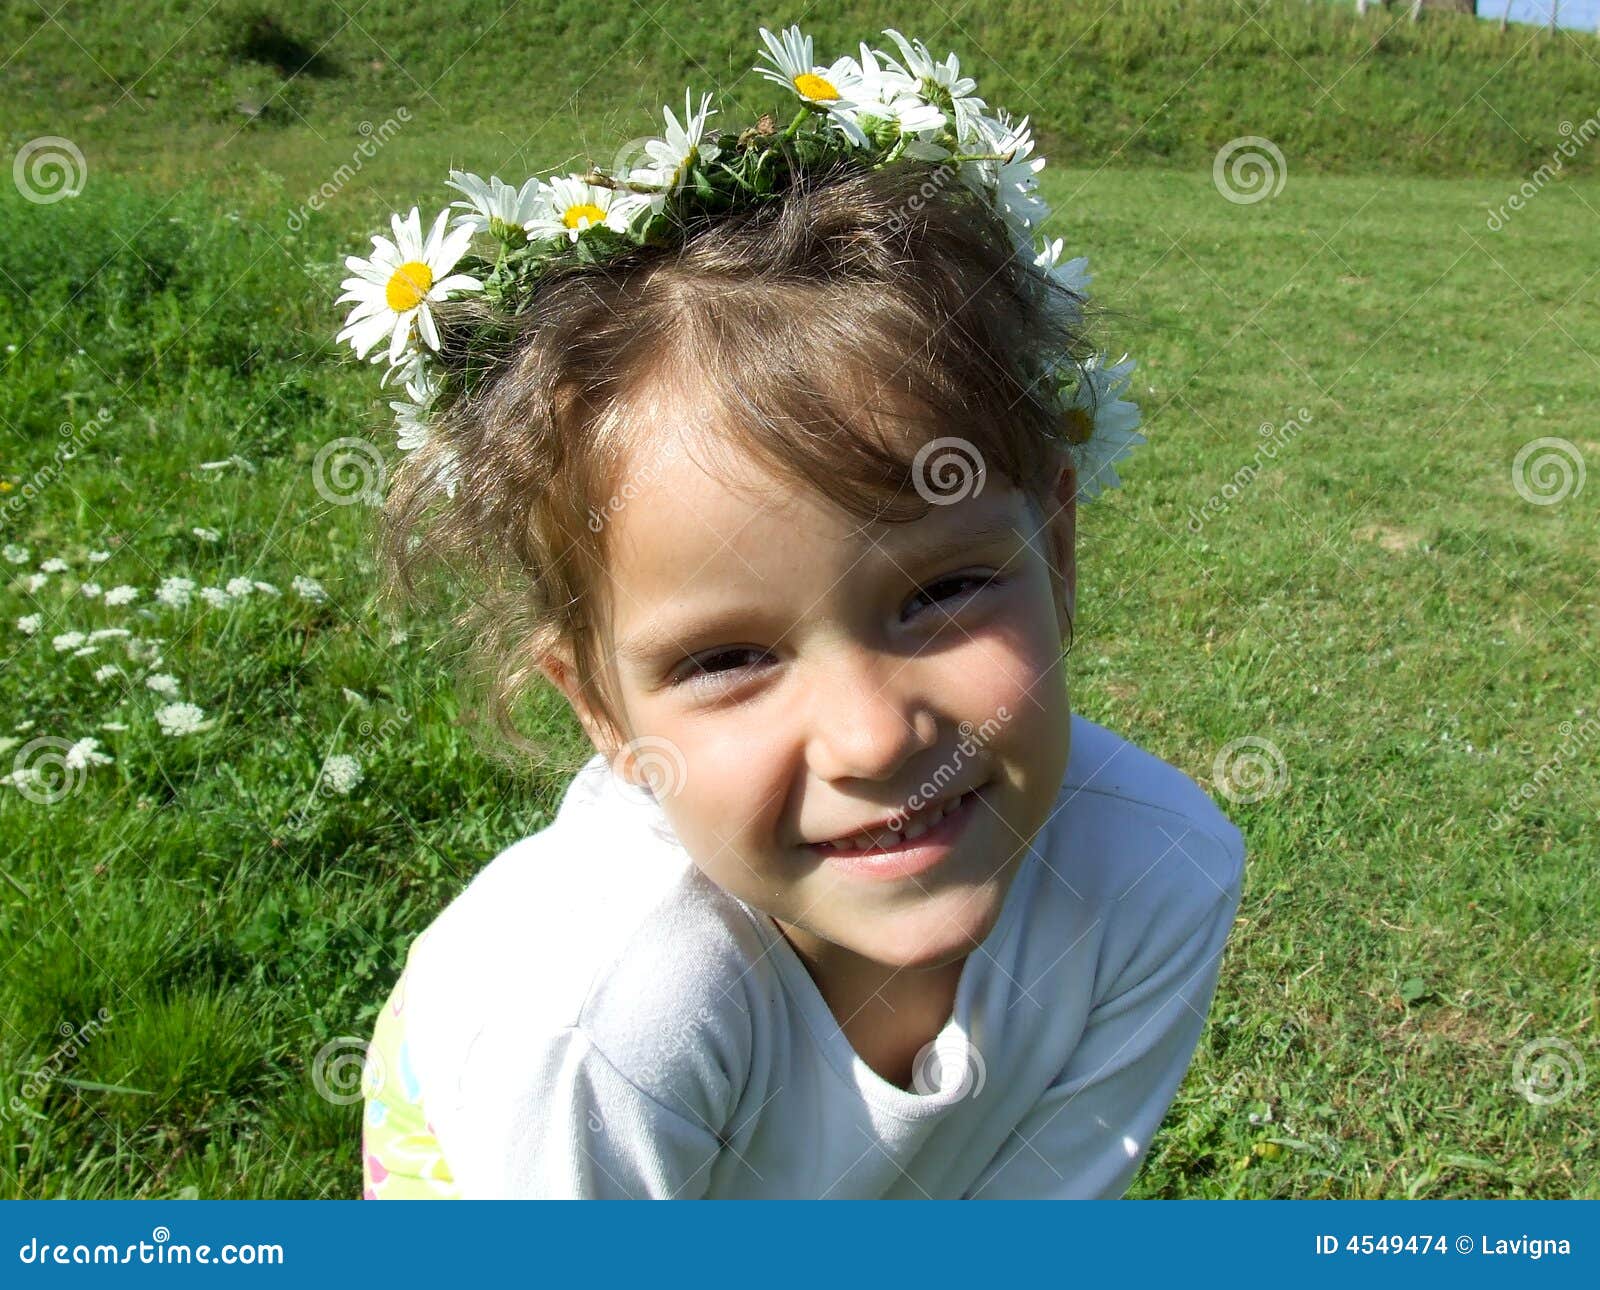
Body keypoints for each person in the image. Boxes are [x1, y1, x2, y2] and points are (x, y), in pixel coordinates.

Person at [340, 25, 1245, 1199]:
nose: (874, 739)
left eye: (944, 591)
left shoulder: (1155, 874)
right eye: (726, 658)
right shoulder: (597, 1019)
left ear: (1057, 553)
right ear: (602, 712)